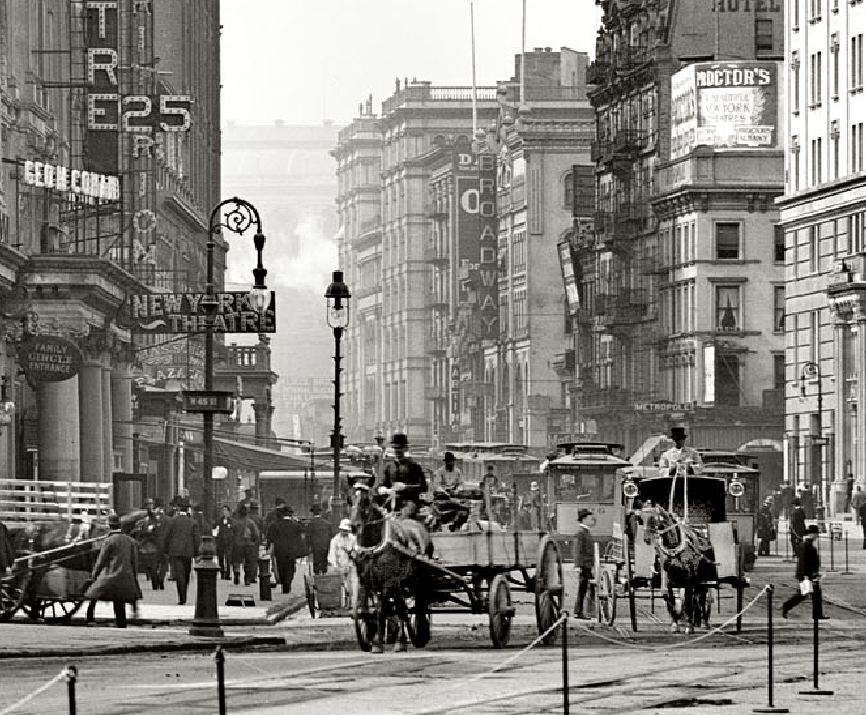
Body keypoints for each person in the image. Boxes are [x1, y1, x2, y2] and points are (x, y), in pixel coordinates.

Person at [84, 514, 141, 628]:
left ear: (109, 526)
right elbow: (135, 562)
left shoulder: (109, 541)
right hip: (126, 576)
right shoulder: (130, 541)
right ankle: (121, 622)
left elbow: (101, 560)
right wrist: (134, 577)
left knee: (93, 593)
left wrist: (93, 576)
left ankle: (90, 617)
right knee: (119, 600)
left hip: (111, 575)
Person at [161, 500, 200, 605]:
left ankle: (181, 596)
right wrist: (197, 553)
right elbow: (196, 539)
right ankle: (184, 593)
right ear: (188, 509)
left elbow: (167, 536)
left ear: (178, 509)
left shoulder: (172, 521)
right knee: (186, 573)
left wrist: (165, 550)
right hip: (188, 551)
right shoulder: (193, 522)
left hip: (175, 551)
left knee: (179, 574)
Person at [782, 524, 825, 619]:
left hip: (810, 574)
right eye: (815, 534)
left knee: (813, 594)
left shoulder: (807, 544)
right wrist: (806, 575)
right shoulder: (805, 545)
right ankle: (787, 605)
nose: (817, 536)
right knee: (805, 594)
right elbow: (803, 562)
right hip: (807, 574)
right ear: (811, 534)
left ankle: (817, 615)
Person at [378, 433, 427, 515]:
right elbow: (383, 484)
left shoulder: (414, 467)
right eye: (395, 448)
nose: (397, 451)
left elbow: (423, 486)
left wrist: (405, 487)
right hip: (391, 500)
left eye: (399, 448)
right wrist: (383, 489)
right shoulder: (389, 467)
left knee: (404, 516)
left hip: (409, 502)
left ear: (405, 449)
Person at [266, 505, 305, 594]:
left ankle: (283, 582)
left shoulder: (275, 525)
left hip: (279, 550)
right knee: (290, 567)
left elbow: (270, 537)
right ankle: (288, 582)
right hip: (291, 550)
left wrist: (268, 547)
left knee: (281, 566)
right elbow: (301, 535)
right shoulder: (295, 525)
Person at [328, 518, 358, 608]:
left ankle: (351, 602)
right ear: (340, 529)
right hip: (339, 565)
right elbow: (332, 554)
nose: (344, 532)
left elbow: (356, 550)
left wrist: (354, 554)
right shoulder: (334, 540)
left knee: (351, 585)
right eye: (343, 530)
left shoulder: (353, 539)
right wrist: (335, 565)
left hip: (350, 565)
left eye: (346, 531)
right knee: (341, 585)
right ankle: (342, 603)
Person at [573, 509, 594, 619]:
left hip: (588, 564)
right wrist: (577, 565)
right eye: (590, 518)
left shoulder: (586, 532)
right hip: (584, 565)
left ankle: (586, 610)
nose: (592, 520)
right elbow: (577, 551)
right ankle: (579, 611)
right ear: (584, 519)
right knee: (582, 589)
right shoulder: (580, 533)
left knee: (586, 588)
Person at [232, 503, 260, 586]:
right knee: (248, 562)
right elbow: (256, 534)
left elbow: (231, 534)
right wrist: (253, 540)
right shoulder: (250, 523)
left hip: (237, 545)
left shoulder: (235, 523)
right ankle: (247, 579)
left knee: (237, 561)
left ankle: (236, 574)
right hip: (248, 545)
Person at [306, 505, 332, 576]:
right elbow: (330, 535)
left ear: (312, 513)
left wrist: (307, 548)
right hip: (325, 546)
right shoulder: (327, 524)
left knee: (316, 562)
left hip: (316, 546)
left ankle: (317, 576)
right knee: (324, 561)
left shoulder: (311, 524)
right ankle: (324, 574)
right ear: (320, 513)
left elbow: (308, 537)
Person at [215, 505, 235, 580]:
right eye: (223, 510)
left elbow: (233, 531)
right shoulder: (219, 520)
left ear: (229, 512)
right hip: (220, 542)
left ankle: (228, 574)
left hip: (229, 542)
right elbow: (215, 529)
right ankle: (222, 573)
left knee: (228, 558)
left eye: (226, 510)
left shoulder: (231, 521)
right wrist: (216, 537)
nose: (225, 512)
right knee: (220, 558)